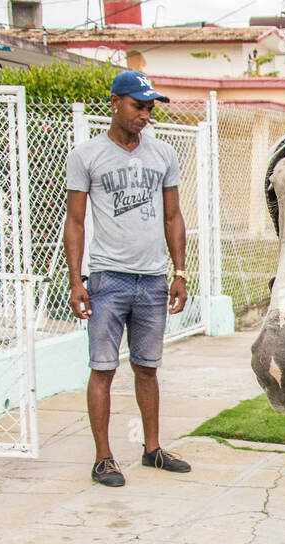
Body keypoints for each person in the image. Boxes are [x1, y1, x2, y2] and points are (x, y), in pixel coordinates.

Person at [64, 69, 192, 487]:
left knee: (148, 368)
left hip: (153, 280)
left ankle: (152, 449)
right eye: (138, 106)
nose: (145, 115)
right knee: (102, 369)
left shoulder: (163, 155)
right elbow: (76, 222)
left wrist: (180, 271)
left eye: (150, 108)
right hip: (108, 279)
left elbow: (173, 216)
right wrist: (76, 281)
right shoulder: (86, 156)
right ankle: (104, 459)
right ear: (115, 102)